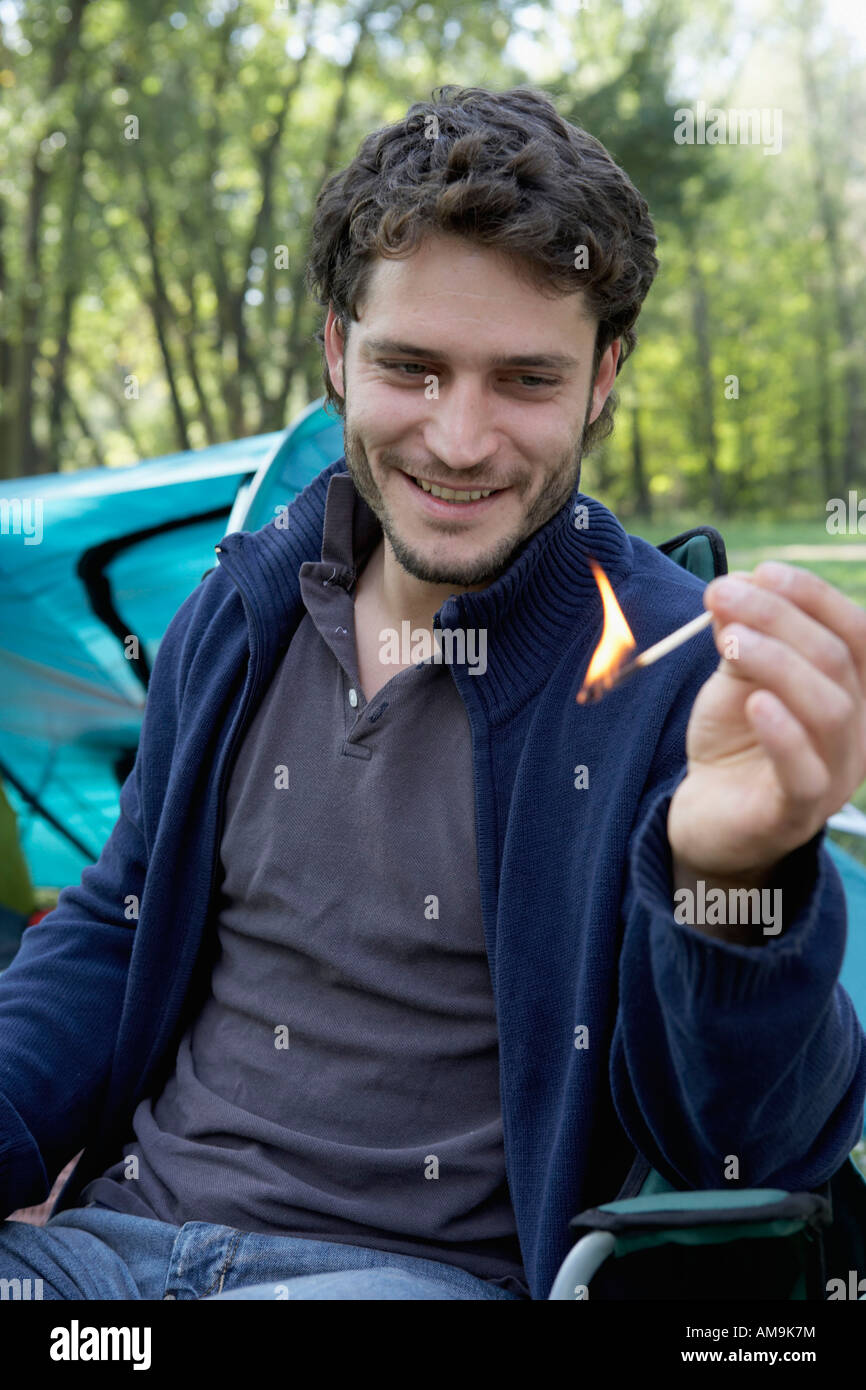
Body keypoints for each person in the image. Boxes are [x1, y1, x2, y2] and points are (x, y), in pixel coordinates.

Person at [1, 84, 864, 1303]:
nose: (458, 441)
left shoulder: (681, 678)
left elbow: (752, 1146)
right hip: (103, 1250)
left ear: (602, 375)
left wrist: (737, 874)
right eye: (411, 368)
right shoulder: (236, 614)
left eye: (523, 380)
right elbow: (110, 927)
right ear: (337, 352)